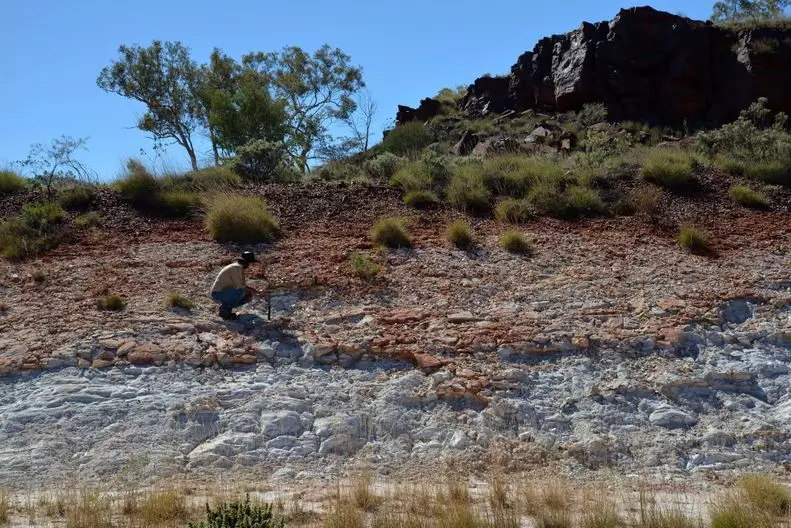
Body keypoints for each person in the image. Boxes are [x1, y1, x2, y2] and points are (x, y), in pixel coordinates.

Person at [211, 251, 263, 320]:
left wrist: (249, 294)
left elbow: (242, 285)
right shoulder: (235, 268)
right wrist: (254, 291)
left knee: (247, 297)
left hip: (226, 293)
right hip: (217, 294)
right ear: (246, 262)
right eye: (249, 263)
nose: (250, 265)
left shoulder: (239, 268)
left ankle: (227, 310)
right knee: (240, 291)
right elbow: (240, 286)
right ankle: (224, 311)